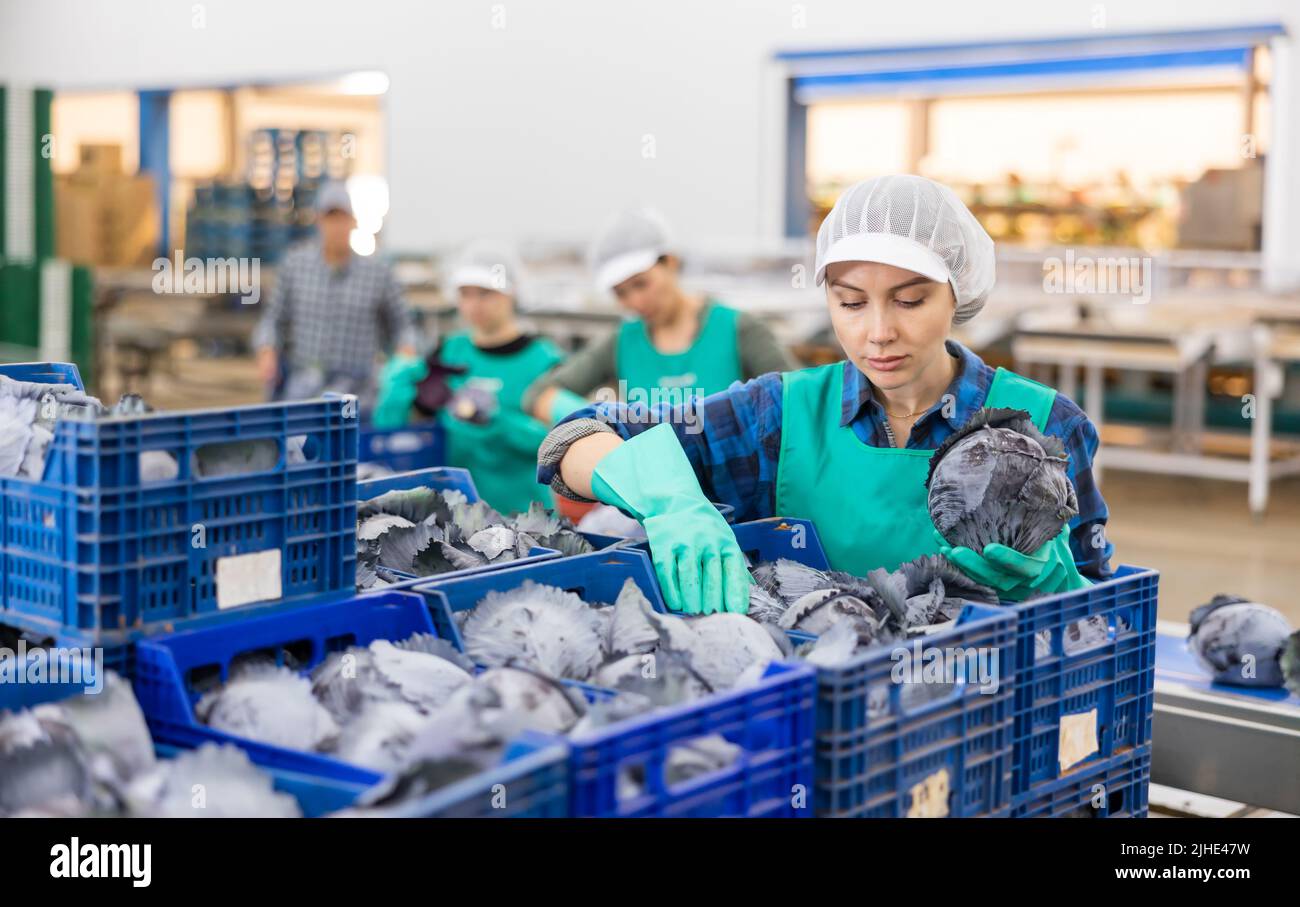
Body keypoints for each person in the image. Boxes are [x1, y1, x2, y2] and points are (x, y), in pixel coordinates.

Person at [537, 175, 1113, 615]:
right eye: (851, 302)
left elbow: (1101, 615)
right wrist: (667, 500)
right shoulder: (780, 414)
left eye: (909, 301)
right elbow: (576, 434)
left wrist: (1059, 589)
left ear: (957, 294)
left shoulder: (1046, 424)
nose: (878, 331)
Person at [524, 207, 793, 426]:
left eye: (641, 284)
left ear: (670, 262)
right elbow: (539, 396)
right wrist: (602, 424)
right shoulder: (621, 343)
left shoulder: (738, 330)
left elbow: (799, 402)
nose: (634, 302)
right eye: (620, 293)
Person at [375, 240, 563, 514]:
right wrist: (399, 388)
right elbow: (397, 427)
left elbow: (560, 442)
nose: (474, 304)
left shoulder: (545, 360)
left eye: (485, 293)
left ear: (511, 292)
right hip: (460, 516)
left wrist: (501, 423)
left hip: (528, 517)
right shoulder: (451, 352)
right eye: (465, 294)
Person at [253, 181, 416, 410]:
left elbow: (403, 326)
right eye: (331, 218)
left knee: (353, 434)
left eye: (343, 218)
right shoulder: (295, 266)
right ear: (319, 221)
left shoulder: (378, 273)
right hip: (305, 382)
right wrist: (267, 349)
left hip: (358, 387)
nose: (337, 226)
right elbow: (272, 319)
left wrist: (405, 352)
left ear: (354, 221)